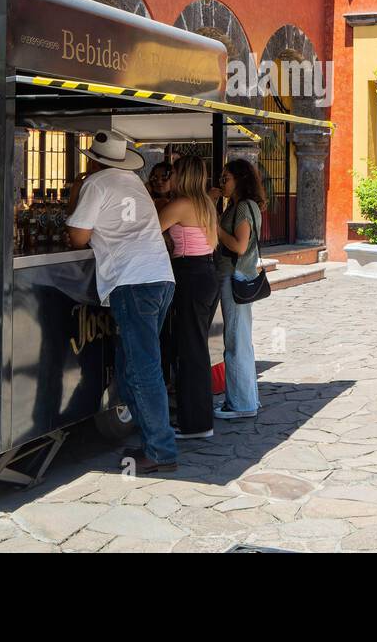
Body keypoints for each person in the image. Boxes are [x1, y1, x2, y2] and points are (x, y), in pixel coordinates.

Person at [66, 130, 178, 473]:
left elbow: (77, 238)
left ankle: (161, 451)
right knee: (132, 367)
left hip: (132, 283)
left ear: (93, 159)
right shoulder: (134, 183)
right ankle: (152, 437)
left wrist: (76, 190)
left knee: (142, 370)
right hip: (160, 277)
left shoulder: (96, 185)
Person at [157, 156, 219, 441]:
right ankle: (197, 418)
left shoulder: (181, 204)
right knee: (195, 350)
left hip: (190, 274)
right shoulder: (205, 202)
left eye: (173, 173)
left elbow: (148, 230)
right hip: (205, 272)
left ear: (182, 176)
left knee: (190, 352)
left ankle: (195, 423)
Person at [214, 159, 265, 420]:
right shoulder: (238, 206)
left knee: (235, 341)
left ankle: (241, 404)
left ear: (240, 180)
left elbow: (239, 246)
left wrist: (214, 226)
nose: (222, 183)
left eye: (226, 179)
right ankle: (246, 398)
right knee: (240, 339)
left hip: (235, 276)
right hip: (237, 276)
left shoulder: (244, 207)